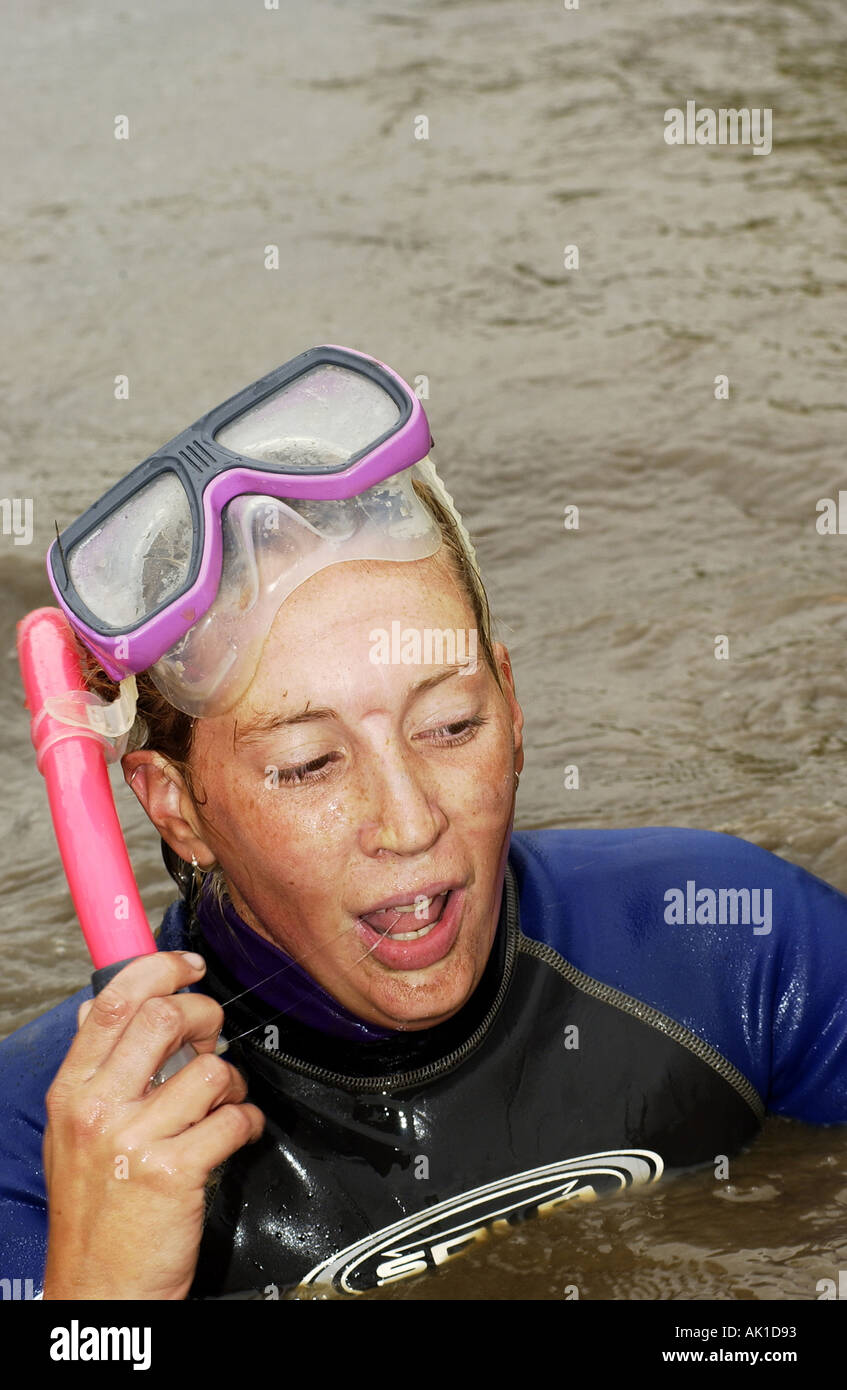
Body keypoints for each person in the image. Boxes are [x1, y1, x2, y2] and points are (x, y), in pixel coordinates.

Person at [1, 345, 846, 1301]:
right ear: (176, 807)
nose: (408, 823)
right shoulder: (36, 1158)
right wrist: (99, 1299)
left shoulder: (736, 951)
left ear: (512, 707)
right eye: (308, 765)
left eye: (449, 725)